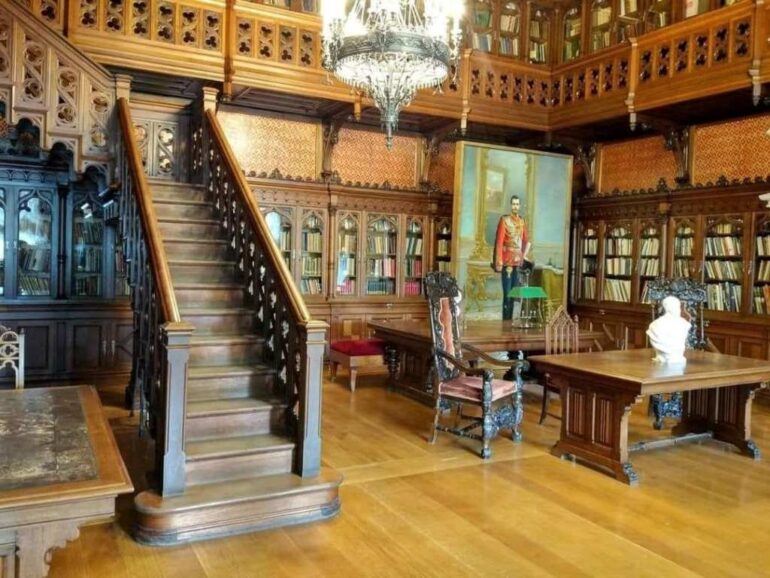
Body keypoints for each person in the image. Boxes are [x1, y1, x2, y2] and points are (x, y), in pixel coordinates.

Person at [492, 195, 529, 320]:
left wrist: (524, 255)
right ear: (510, 205)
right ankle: (505, 321)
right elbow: (499, 242)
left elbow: (525, 241)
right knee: (507, 294)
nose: (515, 206)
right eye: (513, 204)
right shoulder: (504, 220)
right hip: (507, 261)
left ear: (520, 206)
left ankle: (510, 321)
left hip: (517, 262)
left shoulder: (522, 221)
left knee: (514, 294)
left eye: (517, 204)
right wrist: (499, 261)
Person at [647, 296, 691, 364]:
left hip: (677, 361)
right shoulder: (654, 326)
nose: (679, 310)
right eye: (677, 307)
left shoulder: (684, 324)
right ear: (668, 308)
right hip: (662, 365)